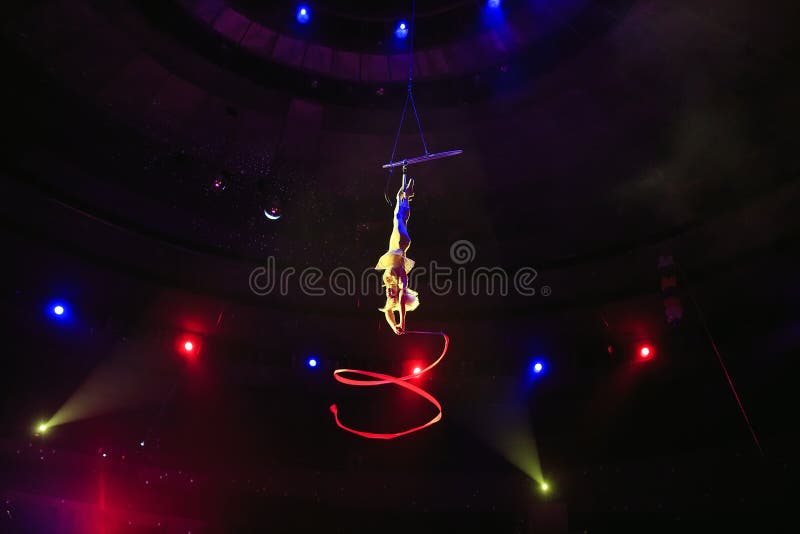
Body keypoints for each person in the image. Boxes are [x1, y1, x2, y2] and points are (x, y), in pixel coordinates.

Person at [375, 178, 419, 335]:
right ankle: (405, 196)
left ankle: (406, 196)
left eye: (389, 295)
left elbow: (387, 312)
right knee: (398, 218)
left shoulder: (389, 286)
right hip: (400, 245)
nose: (388, 293)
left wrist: (394, 327)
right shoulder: (401, 282)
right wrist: (402, 322)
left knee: (400, 218)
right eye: (392, 294)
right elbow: (400, 302)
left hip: (397, 245)